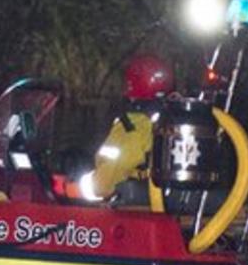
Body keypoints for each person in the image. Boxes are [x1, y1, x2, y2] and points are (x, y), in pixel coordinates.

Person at [65, 53, 174, 202]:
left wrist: (77, 186)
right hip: (165, 201)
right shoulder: (172, 120)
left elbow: (105, 184)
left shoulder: (133, 126)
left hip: (136, 208)